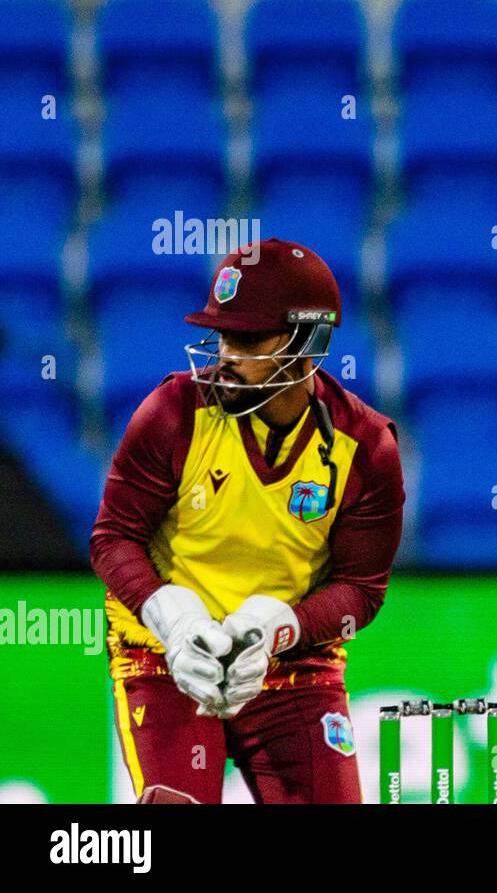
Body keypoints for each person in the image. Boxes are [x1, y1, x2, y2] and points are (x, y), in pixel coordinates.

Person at [90, 239, 404, 803]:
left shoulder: (367, 447)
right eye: (223, 336)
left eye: (249, 339)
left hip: (294, 671)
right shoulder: (173, 413)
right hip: (164, 659)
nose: (226, 355)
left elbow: (362, 590)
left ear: (309, 343)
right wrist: (175, 621)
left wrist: (281, 627)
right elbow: (114, 538)